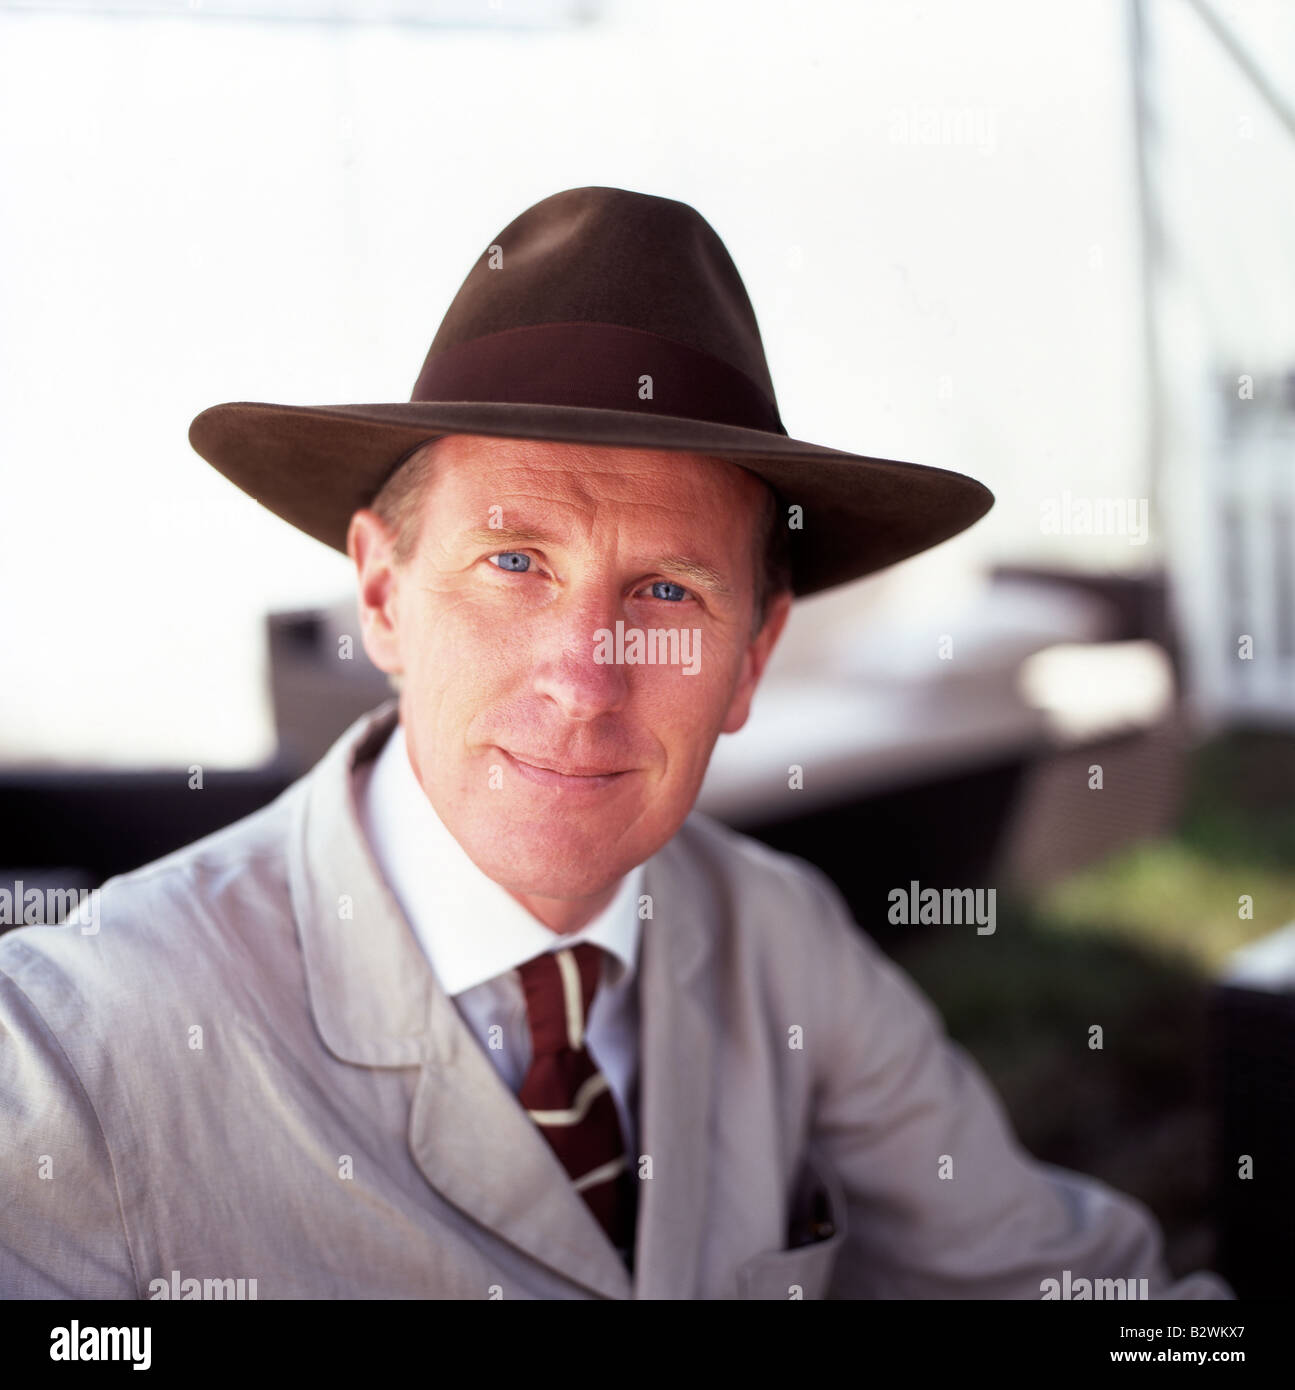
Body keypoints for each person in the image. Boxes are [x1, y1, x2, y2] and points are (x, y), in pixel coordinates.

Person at [0, 186, 1232, 1299]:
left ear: (752, 656)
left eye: (665, 595)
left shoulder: (779, 940)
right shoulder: (77, 1049)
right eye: (515, 562)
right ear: (380, 595)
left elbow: (1067, 1289)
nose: (585, 679)